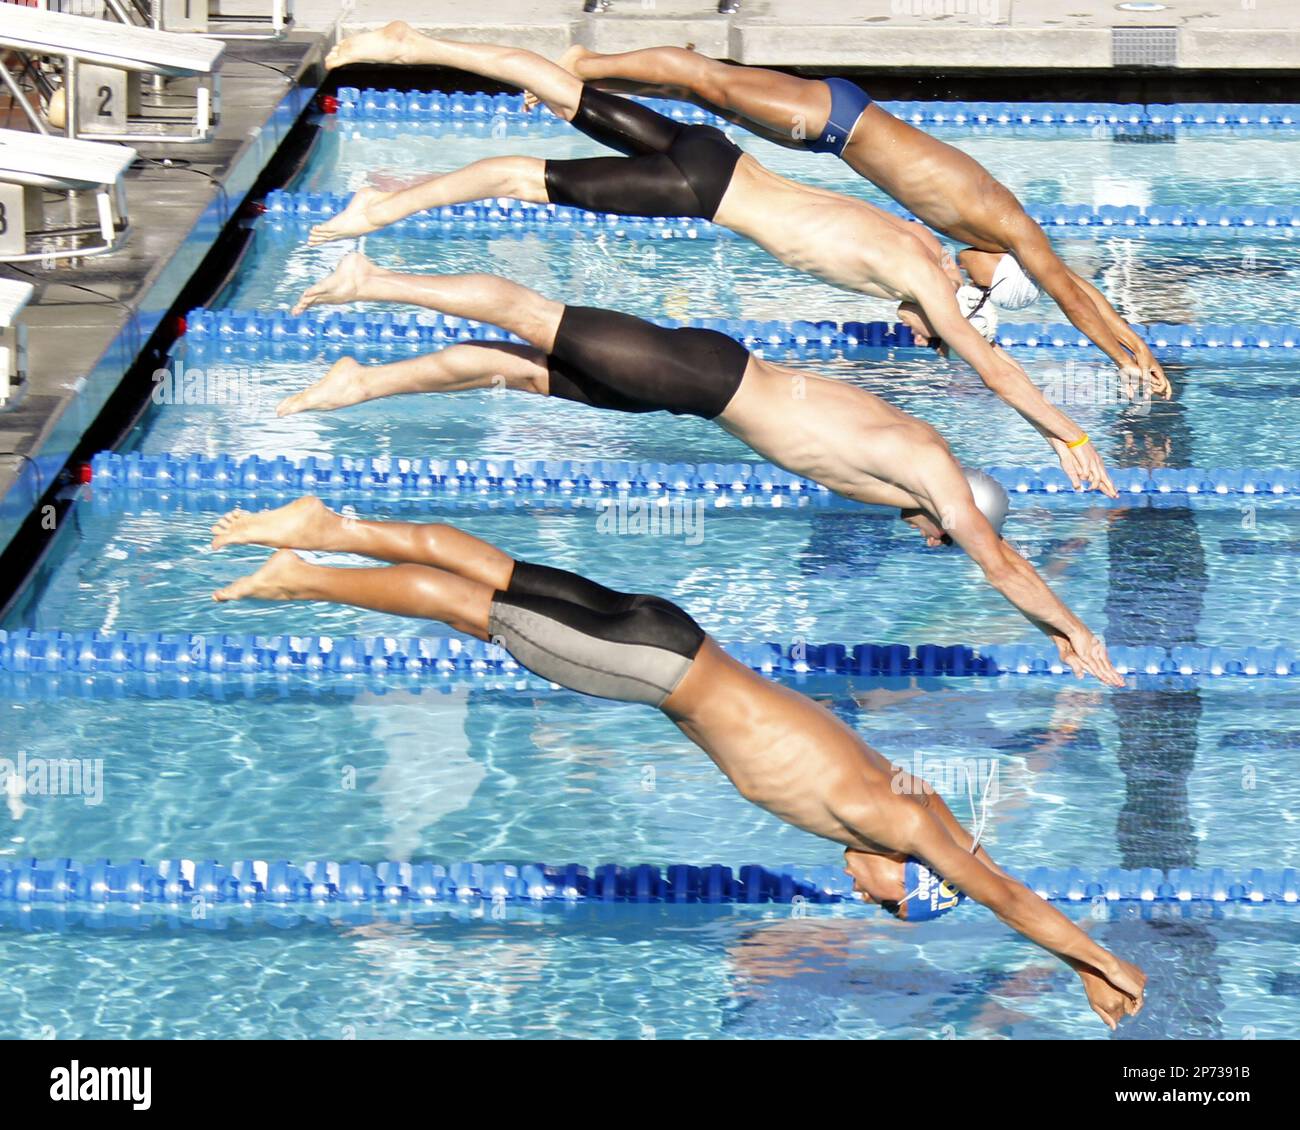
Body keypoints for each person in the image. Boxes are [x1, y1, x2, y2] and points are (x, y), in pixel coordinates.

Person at [209, 497, 1146, 1029]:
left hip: (676, 635)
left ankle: (328, 526)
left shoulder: (896, 793)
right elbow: (1007, 895)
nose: (864, 896)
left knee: (497, 574)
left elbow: (983, 851)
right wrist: (1094, 965)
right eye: (889, 901)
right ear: (916, 875)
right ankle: (306, 573)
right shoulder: (901, 825)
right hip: (655, 668)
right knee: (473, 611)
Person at [310, 26, 1113, 489]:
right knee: (523, 178)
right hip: (700, 190)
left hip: (716, 155)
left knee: (564, 91)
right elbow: (995, 368)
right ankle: (380, 212)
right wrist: (1067, 435)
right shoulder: (924, 281)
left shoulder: (912, 238)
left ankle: (403, 40)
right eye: (932, 335)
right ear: (959, 308)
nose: (917, 337)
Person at [283, 251, 1122, 685]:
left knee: (525, 371)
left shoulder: (915, 460)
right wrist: (1070, 629)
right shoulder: (935, 472)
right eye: (950, 537)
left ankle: (362, 381)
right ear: (961, 511)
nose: (940, 544)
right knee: (534, 320)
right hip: (703, 379)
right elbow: (1003, 564)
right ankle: (373, 280)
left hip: (700, 388)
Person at [540, 42, 1171, 400]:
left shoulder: (993, 236)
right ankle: (586, 64)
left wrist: (1131, 345)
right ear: (1002, 266)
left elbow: (1073, 289)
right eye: (982, 284)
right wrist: (1123, 353)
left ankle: (587, 87)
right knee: (713, 83)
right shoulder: (1008, 224)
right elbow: (1066, 290)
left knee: (703, 91)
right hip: (840, 116)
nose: (967, 280)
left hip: (828, 137)